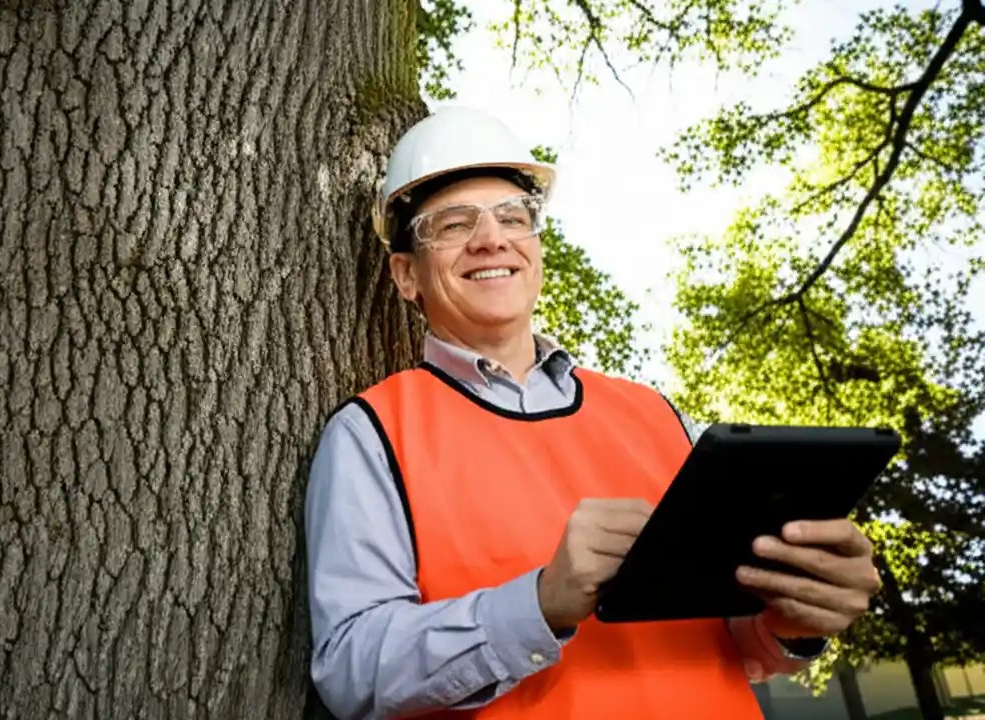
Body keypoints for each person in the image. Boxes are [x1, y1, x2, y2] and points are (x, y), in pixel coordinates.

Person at [303, 107, 882, 720]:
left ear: (535, 247)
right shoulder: (372, 432)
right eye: (452, 224)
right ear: (405, 275)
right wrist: (538, 604)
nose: (491, 239)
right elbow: (350, 668)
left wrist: (792, 621)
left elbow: (735, 640)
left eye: (513, 217)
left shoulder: (658, 416)